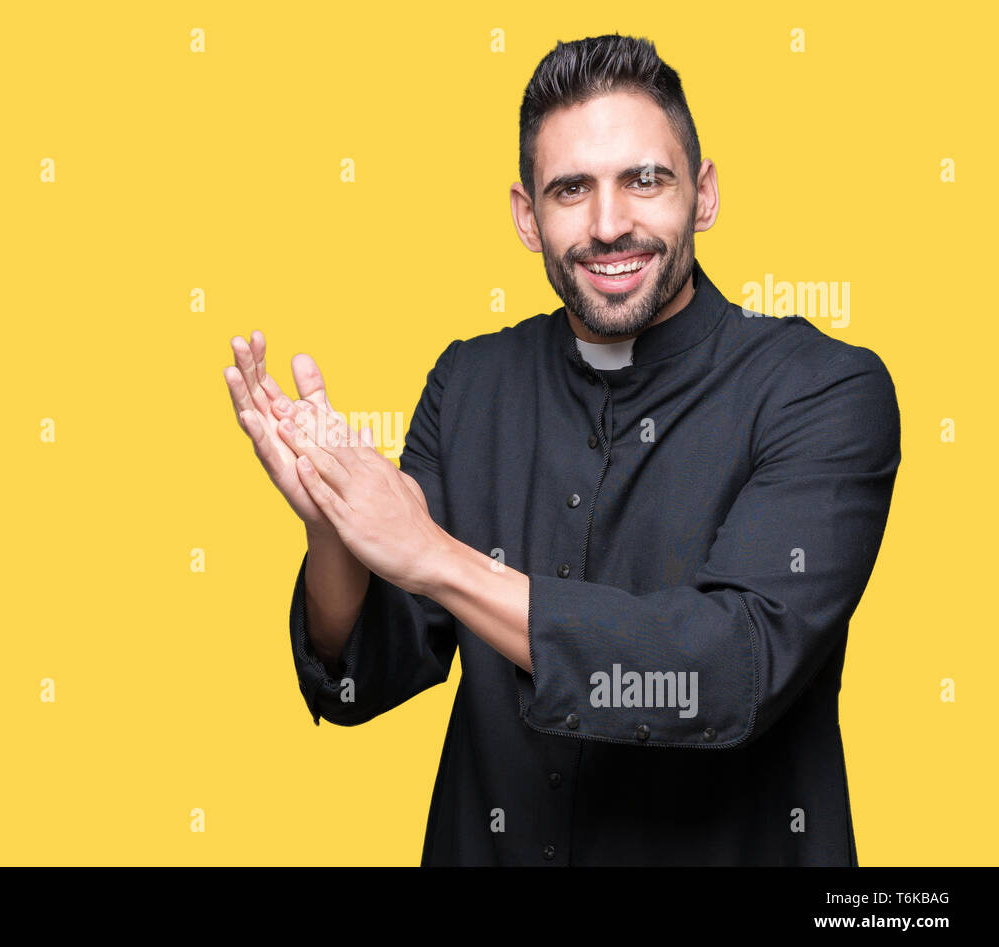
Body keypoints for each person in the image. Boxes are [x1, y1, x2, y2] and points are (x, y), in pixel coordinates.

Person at [222, 33, 900, 865]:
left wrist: (435, 555)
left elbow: (732, 666)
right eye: (571, 189)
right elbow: (365, 674)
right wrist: (335, 529)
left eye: (645, 180)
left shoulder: (823, 389)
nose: (609, 225)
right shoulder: (470, 382)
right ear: (525, 215)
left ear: (706, 192)